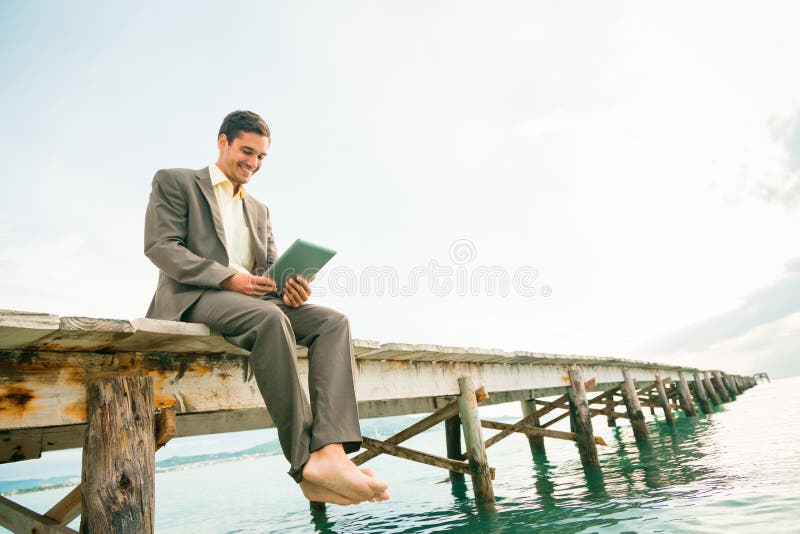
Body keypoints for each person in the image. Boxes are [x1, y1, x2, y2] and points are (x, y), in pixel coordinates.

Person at [143, 110, 389, 505]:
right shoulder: (176, 181)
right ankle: (304, 463)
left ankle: (331, 452)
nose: (253, 164)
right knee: (272, 318)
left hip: (255, 301)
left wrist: (291, 289)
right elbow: (161, 247)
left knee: (333, 322)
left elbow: (267, 272)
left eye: (260, 157)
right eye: (246, 151)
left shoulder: (260, 210)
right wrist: (229, 278)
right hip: (195, 297)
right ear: (222, 142)